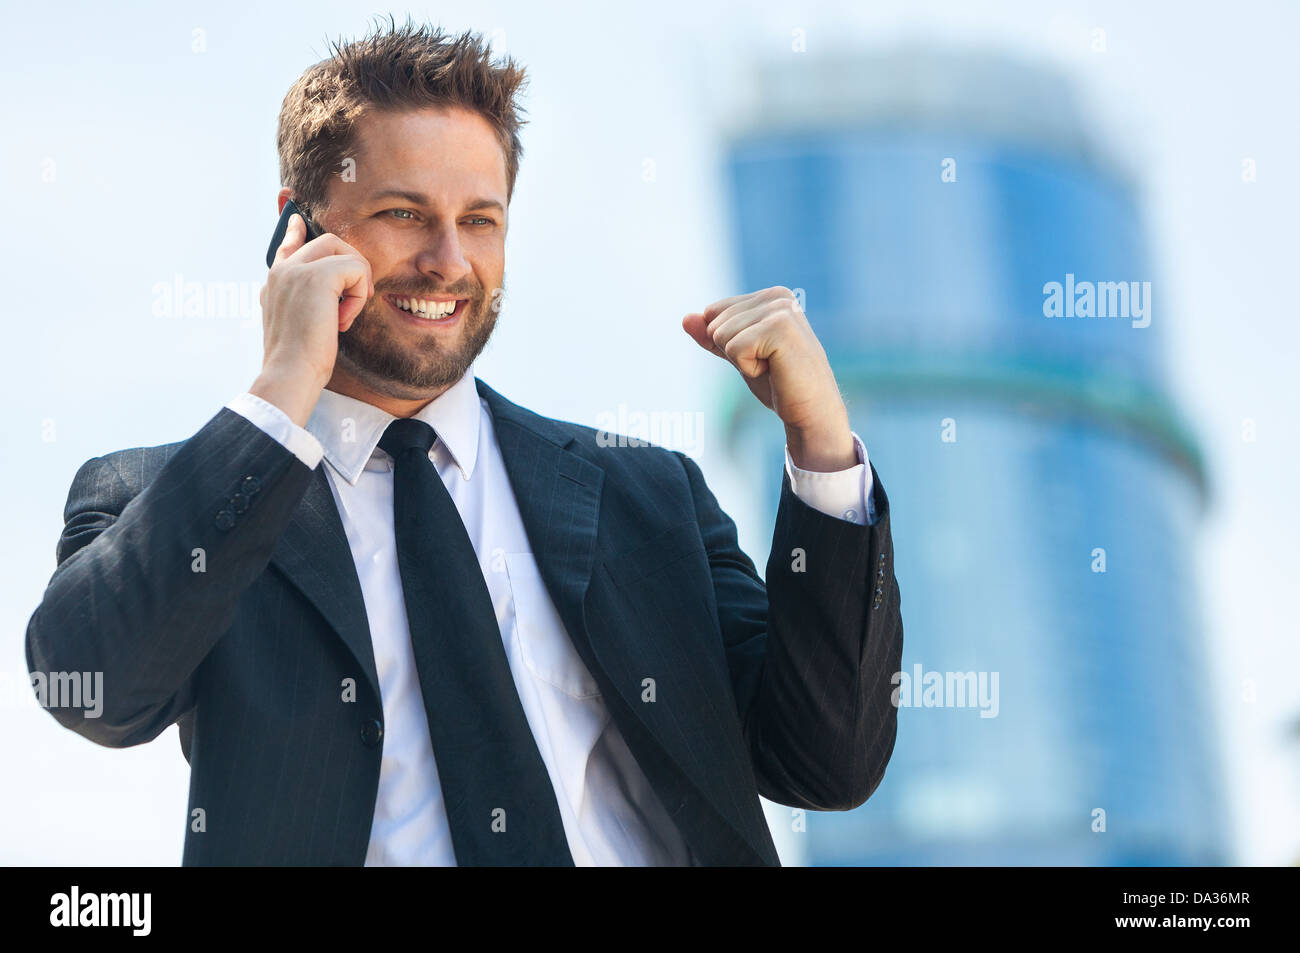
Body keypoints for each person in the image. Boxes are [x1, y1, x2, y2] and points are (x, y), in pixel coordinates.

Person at [24, 18, 902, 866]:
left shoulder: (648, 495)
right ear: (298, 225)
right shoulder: (170, 498)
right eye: (405, 213)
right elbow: (96, 691)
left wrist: (820, 446)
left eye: (480, 220)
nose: (448, 260)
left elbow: (823, 764)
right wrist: (282, 386)